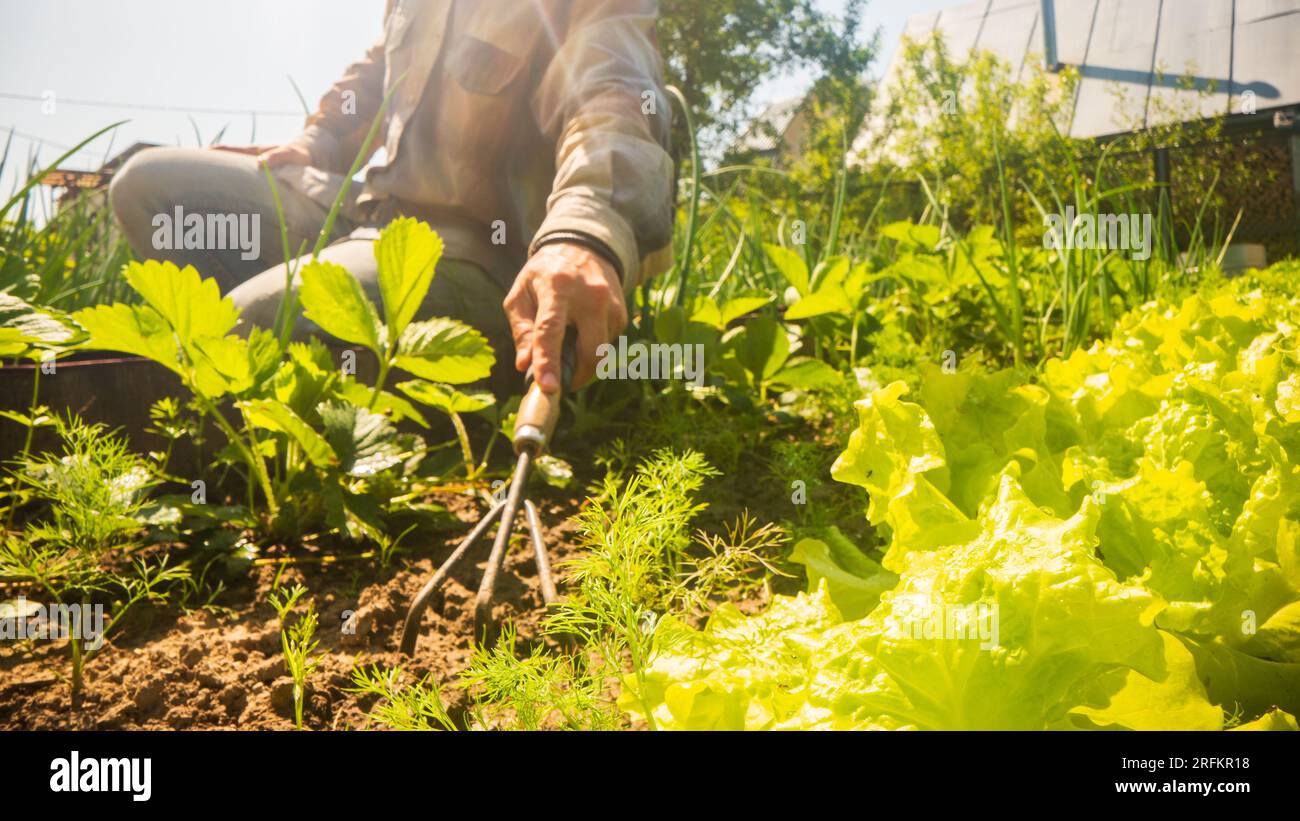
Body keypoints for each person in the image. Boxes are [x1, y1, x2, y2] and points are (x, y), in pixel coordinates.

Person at [109, 0, 674, 396]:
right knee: (151, 190)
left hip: (478, 251)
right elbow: (376, 76)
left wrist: (583, 231)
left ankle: (474, 372)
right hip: (371, 212)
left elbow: (613, 95)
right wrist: (314, 143)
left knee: (246, 334)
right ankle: (310, 332)